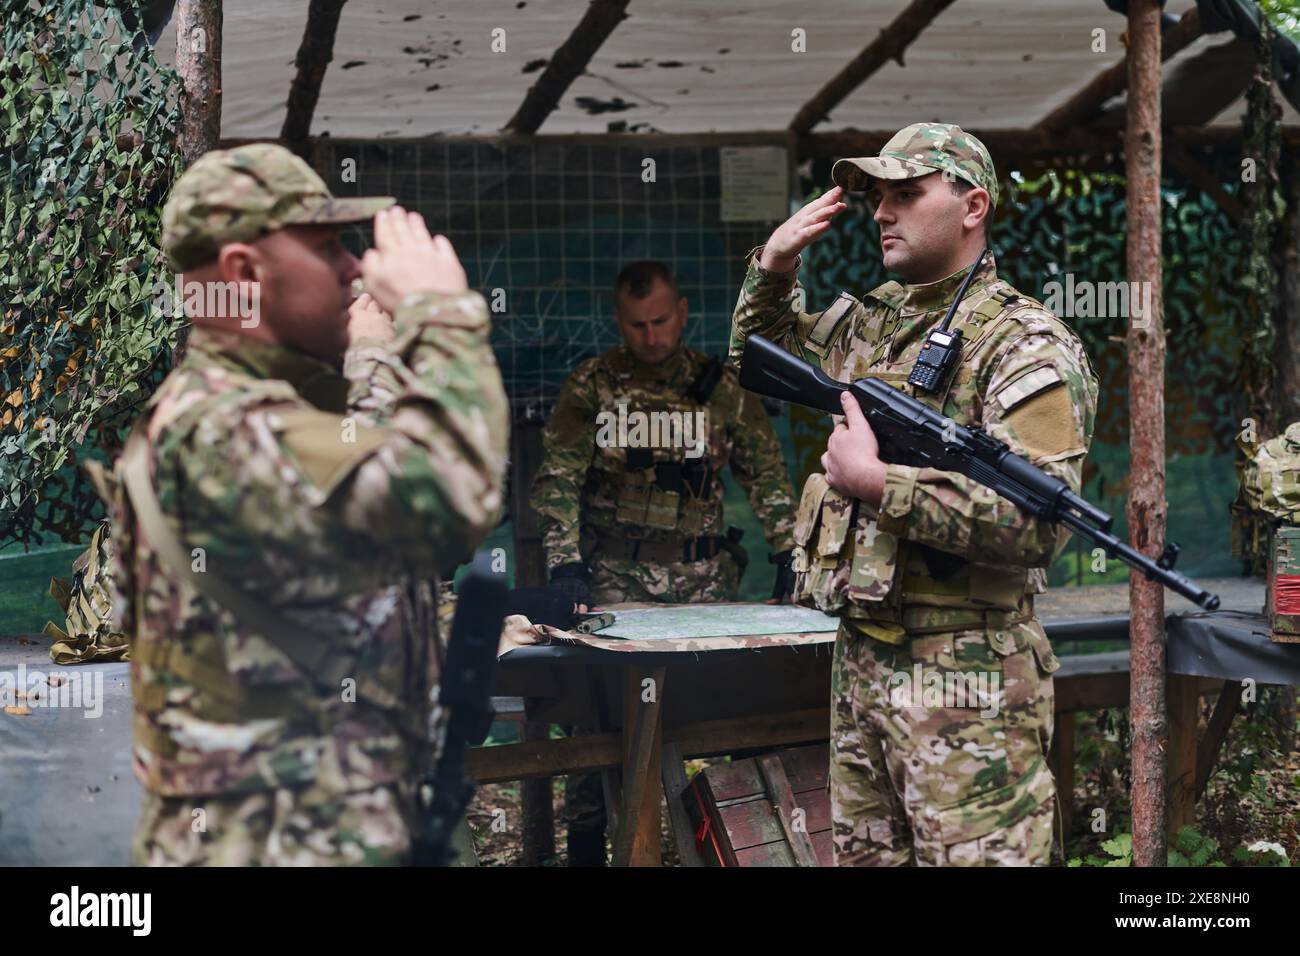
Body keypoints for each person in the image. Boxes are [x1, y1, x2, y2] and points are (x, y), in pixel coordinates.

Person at [102, 142, 509, 865]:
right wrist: (440, 313)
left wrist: (367, 356)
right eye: (327, 248)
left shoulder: (251, 412)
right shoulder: (219, 434)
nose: (353, 268)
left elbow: (360, 469)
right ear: (244, 273)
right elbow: (449, 496)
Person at [730, 123, 1098, 866]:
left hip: (969, 682)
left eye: (906, 193)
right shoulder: (874, 323)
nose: (880, 213)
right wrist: (773, 267)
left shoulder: (1024, 344)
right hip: (863, 661)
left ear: (973, 207)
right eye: (876, 197)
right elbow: (753, 359)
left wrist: (878, 484)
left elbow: (1037, 526)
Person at [530, 260, 797, 864]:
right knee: (598, 723)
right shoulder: (592, 386)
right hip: (615, 583)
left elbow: (766, 472)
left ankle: (750, 840)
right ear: (619, 323)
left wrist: (788, 551)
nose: (651, 337)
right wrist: (566, 565)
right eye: (636, 325)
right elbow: (557, 481)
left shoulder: (719, 386)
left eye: (660, 321)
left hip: (704, 588)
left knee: (729, 715)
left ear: (681, 313)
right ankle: (585, 851)